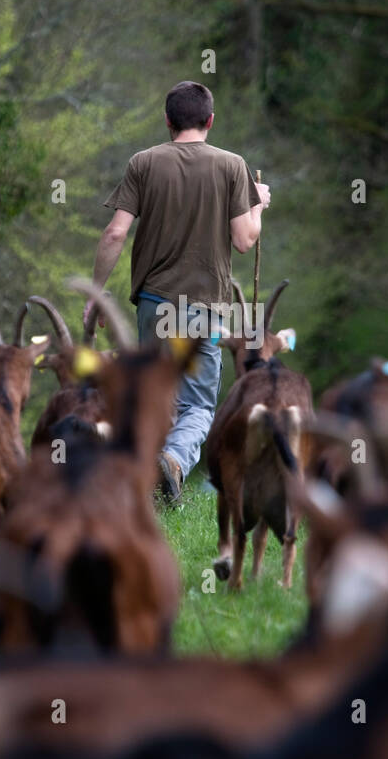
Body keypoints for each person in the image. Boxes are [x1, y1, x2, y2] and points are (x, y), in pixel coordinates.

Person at [83, 80, 270, 503]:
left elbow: (115, 234)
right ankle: (172, 461)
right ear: (210, 120)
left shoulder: (143, 163)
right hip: (203, 308)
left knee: (156, 396)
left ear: (167, 120)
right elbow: (244, 240)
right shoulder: (231, 165)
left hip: (153, 302)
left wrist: (96, 296)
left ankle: (148, 482)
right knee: (198, 406)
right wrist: (257, 204)